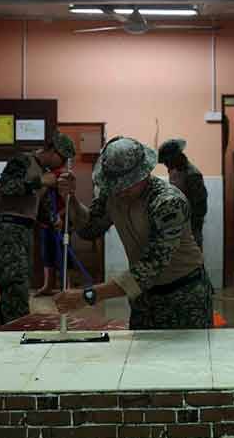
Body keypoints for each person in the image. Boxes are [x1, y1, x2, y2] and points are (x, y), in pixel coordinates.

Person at [54, 136, 212, 329]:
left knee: (186, 358)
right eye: (116, 184)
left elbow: (149, 270)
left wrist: (88, 295)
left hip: (183, 298)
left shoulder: (168, 203)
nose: (121, 190)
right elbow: (89, 229)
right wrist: (71, 199)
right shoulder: (113, 192)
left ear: (144, 173)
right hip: (142, 299)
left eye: (127, 183)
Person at [0, 132, 75, 326]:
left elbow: (39, 204)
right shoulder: (23, 161)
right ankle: (16, 336)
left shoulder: (42, 170)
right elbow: (7, 187)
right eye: (61, 158)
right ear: (52, 150)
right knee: (15, 287)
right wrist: (40, 181)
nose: (61, 164)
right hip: (7, 230)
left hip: (24, 231)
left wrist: (54, 219)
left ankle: (6, 333)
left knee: (18, 288)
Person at [34, 133, 77, 296]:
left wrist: (60, 216)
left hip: (61, 222)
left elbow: (69, 202)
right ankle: (47, 286)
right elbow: (39, 195)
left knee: (64, 253)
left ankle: (67, 286)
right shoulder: (45, 173)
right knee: (47, 255)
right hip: (46, 223)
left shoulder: (63, 175)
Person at [158, 138, 208, 249]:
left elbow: (200, 207)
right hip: (178, 223)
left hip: (191, 226)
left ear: (175, 158)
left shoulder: (192, 175)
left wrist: (189, 226)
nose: (166, 165)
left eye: (167, 161)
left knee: (194, 258)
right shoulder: (176, 170)